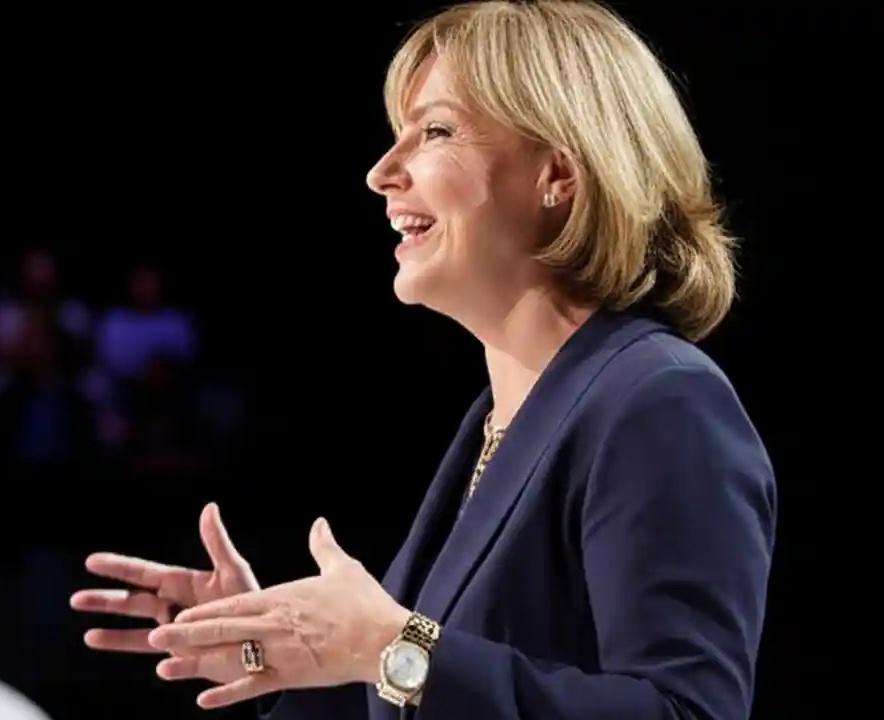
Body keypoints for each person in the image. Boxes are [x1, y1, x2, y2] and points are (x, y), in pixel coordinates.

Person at [71, 1, 777, 717]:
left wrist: (390, 644)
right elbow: (424, 686)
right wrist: (290, 652)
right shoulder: (497, 421)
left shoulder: (660, 401)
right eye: (396, 136)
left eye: (435, 131)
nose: (381, 172)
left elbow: (687, 712)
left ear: (558, 173)